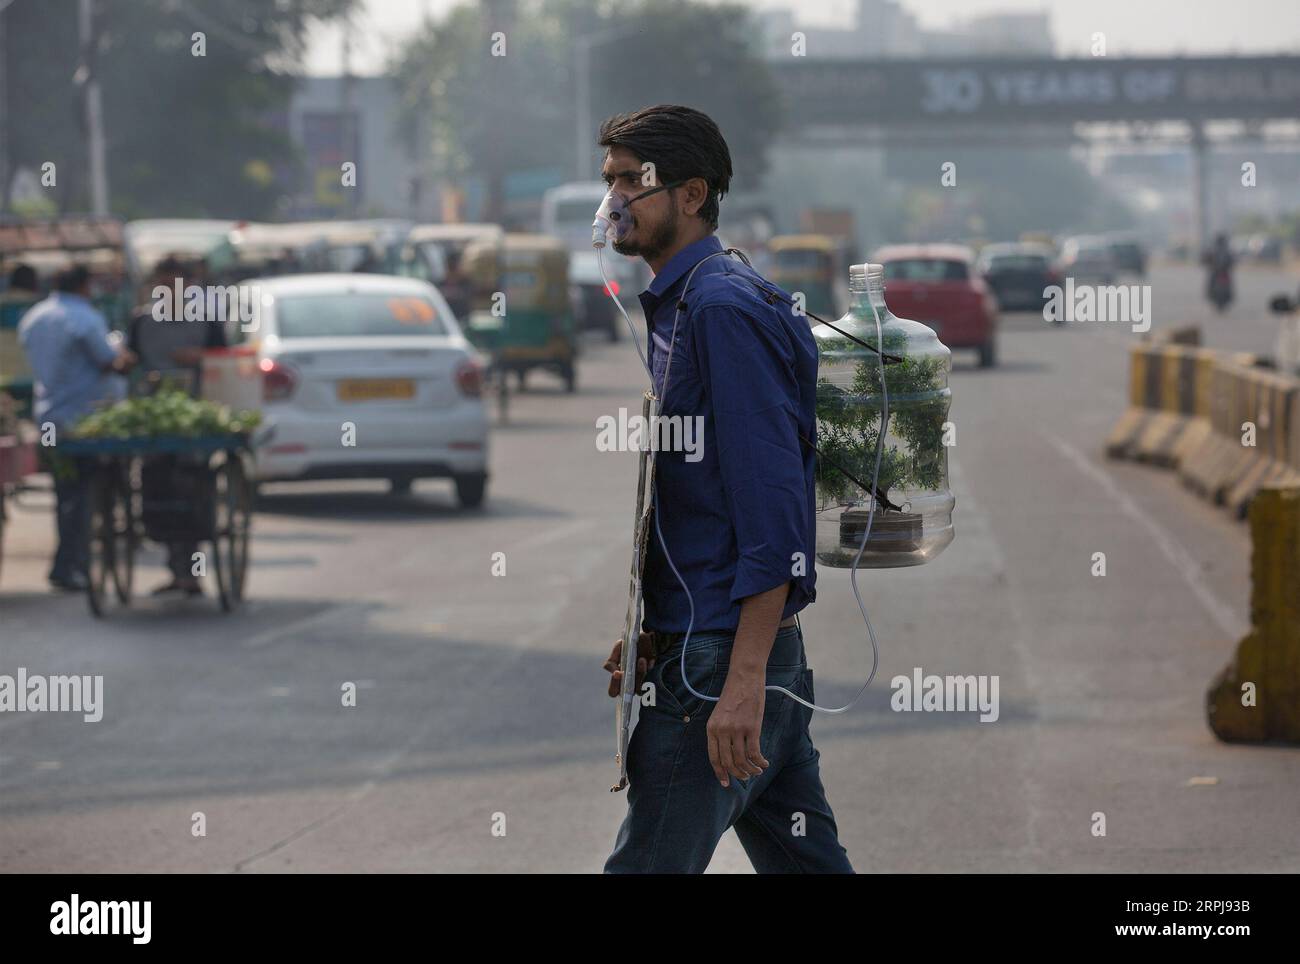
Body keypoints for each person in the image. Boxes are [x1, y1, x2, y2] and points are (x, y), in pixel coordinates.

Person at [598, 105, 853, 873]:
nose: (613, 199)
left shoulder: (720, 309)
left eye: (632, 182)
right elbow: (697, 501)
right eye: (608, 181)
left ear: (691, 193)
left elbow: (772, 508)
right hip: (717, 650)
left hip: (717, 675)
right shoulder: (693, 300)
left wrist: (739, 686)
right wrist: (658, 625)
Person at [18, 265, 135, 591]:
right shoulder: (84, 318)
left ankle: (66, 563)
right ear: (85, 285)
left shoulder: (34, 318)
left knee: (66, 493)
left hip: (49, 418)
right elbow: (107, 361)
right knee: (81, 493)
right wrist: (125, 357)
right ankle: (72, 565)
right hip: (82, 422)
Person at [127, 256, 227, 596]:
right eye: (163, 284)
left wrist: (199, 357)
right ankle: (176, 569)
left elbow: (225, 360)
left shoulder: (208, 320)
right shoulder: (141, 320)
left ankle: (192, 572)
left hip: (195, 415)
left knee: (192, 489)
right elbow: (130, 356)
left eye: (175, 285)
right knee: (156, 485)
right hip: (154, 415)